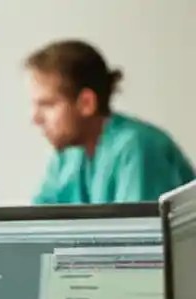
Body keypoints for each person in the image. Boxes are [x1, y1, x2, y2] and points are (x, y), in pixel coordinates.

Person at [28, 39, 194, 204]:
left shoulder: (136, 147)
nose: (35, 118)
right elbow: (37, 222)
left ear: (87, 103)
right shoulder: (67, 155)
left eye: (47, 104)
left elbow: (135, 229)